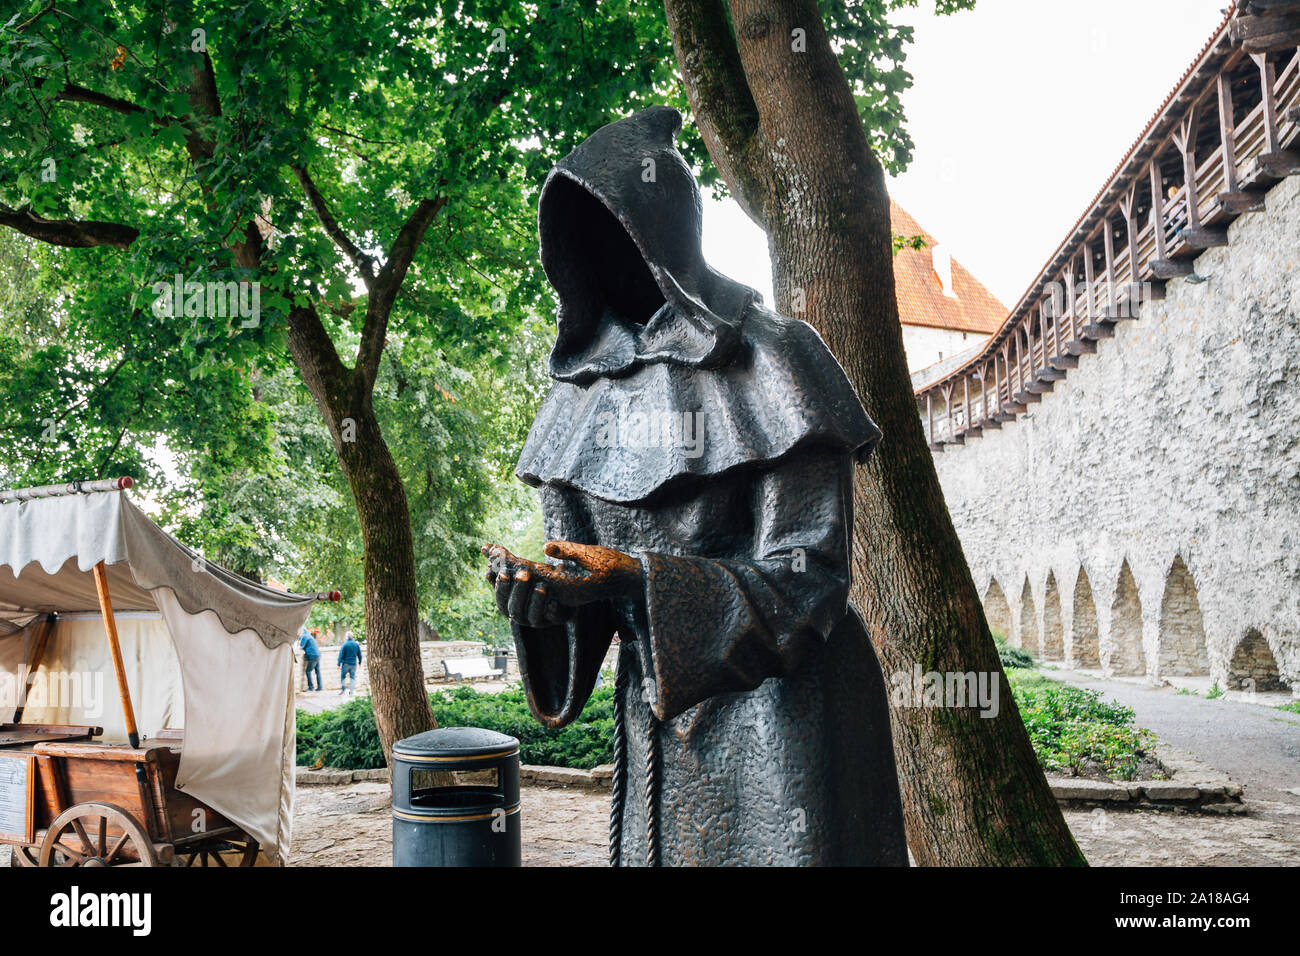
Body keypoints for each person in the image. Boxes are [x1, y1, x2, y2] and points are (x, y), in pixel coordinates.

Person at [482, 106, 906, 867]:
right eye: (583, 235)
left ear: (663, 229)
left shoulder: (774, 357)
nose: (603, 253)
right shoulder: (576, 397)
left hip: (785, 725)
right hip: (659, 729)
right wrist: (545, 603)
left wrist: (640, 580)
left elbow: (808, 582)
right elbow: (584, 589)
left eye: (617, 227)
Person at [338, 631, 362, 696]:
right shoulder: (356, 644)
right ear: (352, 636)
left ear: (346, 637)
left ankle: (343, 689)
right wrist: (360, 662)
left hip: (346, 664)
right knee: (352, 678)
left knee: (343, 677)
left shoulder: (345, 645)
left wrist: (338, 664)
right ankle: (351, 692)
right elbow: (359, 654)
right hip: (353, 664)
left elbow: (341, 655)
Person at [298, 626, 321, 692]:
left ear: (302, 630)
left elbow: (300, 647)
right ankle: (320, 687)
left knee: (308, 671)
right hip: (317, 655)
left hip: (312, 656)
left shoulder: (304, 636)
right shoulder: (309, 635)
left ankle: (311, 687)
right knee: (317, 671)